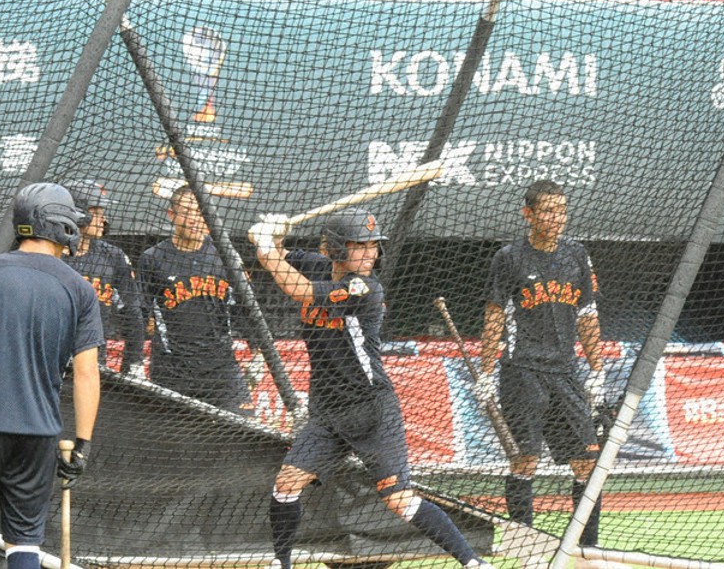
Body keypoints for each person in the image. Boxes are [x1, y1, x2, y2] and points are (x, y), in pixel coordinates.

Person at [249, 208, 493, 569]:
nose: (370, 254)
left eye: (373, 247)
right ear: (334, 248)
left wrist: (267, 246)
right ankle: (280, 563)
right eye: (359, 246)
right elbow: (277, 256)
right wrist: (272, 235)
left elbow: (295, 288)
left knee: (399, 500)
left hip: (371, 409)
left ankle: (473, 563)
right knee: (286, 484)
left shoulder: (365, 287)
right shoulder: (316, 264)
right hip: (327, 413)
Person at [0, 182, 102, 569]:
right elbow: (86, 373)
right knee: (23, 543)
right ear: (58, 224)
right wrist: (82, 443)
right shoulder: (79, 290)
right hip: (38, 432)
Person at [475, 179, 604, 547]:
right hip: (521, 372)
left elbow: (588, 314)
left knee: (587, 466)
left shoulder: (576, 255)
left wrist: (597, 371)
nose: (557, 218)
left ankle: (586, 548)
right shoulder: (509, 257)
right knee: (524, 461)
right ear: (527, 214)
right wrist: (485, 372)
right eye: (548, 210)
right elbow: (495, 315)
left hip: (566, 372)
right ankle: (524, 542)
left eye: (561, 210)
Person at [137, 185, 251, 413]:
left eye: (199, 212)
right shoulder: (152, 259)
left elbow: (246, 309)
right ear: (172, 214)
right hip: (172, 373)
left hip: (222, 372)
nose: (193, 219)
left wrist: (257, 354)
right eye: (186, 212)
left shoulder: (225, 255)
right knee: (169, 443)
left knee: (243, 431)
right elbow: (140, 314)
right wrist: (137, 359)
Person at [63, 180, 145, 377]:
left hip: (94, 365)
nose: (103, 220)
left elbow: (132, 311)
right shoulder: (50, 255)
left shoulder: (112, 256)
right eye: (96, 213)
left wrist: (133, 363)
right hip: (50, 364)